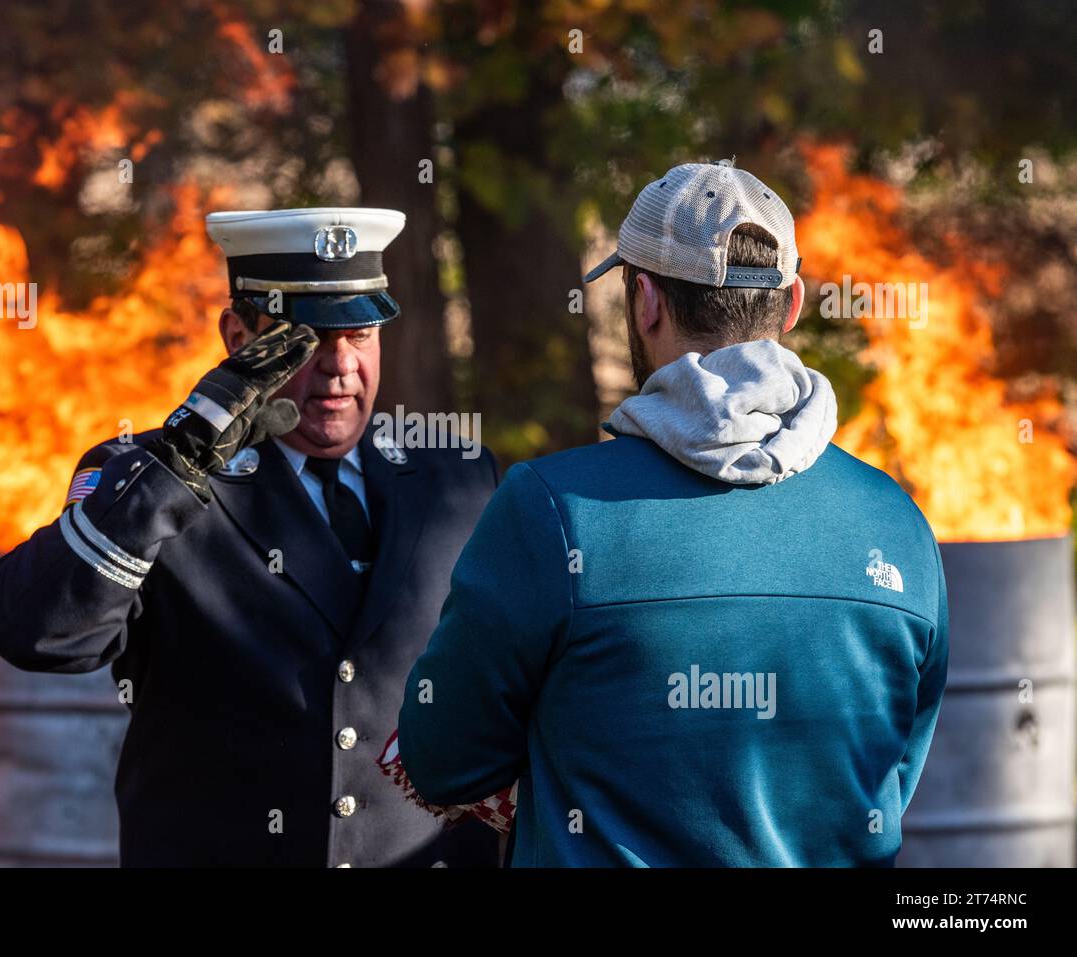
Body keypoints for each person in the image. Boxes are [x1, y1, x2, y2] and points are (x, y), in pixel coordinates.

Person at [396, 163, 950, 867]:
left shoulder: (551, 510)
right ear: (791, 305)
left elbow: (442, 757)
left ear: (646, 302)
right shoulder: (897, 521)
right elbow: (890, 780)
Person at [0, 207, 501, 867]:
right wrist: (176, 464)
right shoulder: (139, 476)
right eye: (309, 337)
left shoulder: (456, 475)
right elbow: (35, 630)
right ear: (237, 335)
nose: (340, 366)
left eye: (362, 333)